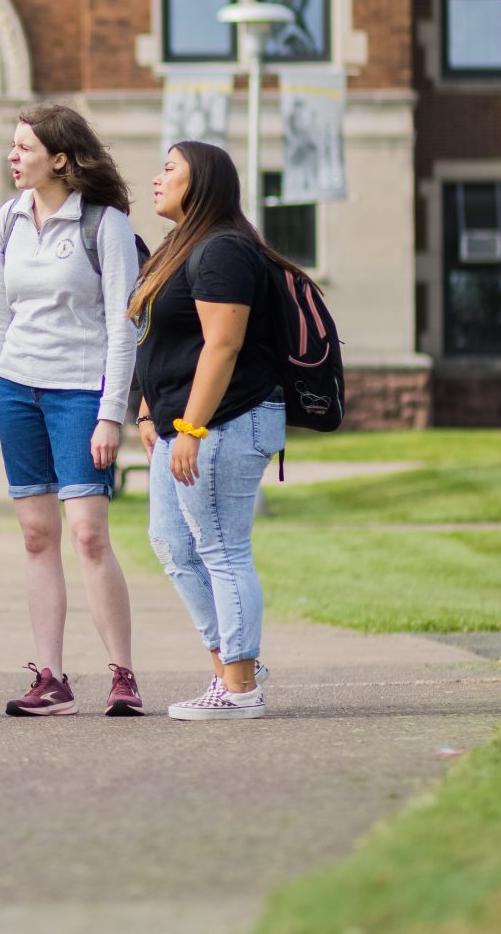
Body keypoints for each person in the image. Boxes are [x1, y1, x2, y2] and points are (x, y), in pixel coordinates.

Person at [0, 104, 142, 717]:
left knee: (89, 535)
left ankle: (122, 675)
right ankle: (52, 679)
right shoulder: (9, 219)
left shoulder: (105, 226)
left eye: (24, 148)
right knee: (38, 536)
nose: (13, 158)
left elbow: (125, 329)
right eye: (11, 148)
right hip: (16, 389)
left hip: (79, 394)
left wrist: (109, 413)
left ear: (60, 158)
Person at [129, 140, 291, 720]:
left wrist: (192, 427)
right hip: (180, 425)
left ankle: (241, 687)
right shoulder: (181, 247)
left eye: (169, 168)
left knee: (222, 549)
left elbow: (223, 344)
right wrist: (150, 411)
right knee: (174, 545)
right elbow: (161, 339)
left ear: (201, 183)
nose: (156, 178)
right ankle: (233, 663)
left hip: (227, 421)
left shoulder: (222, 249)